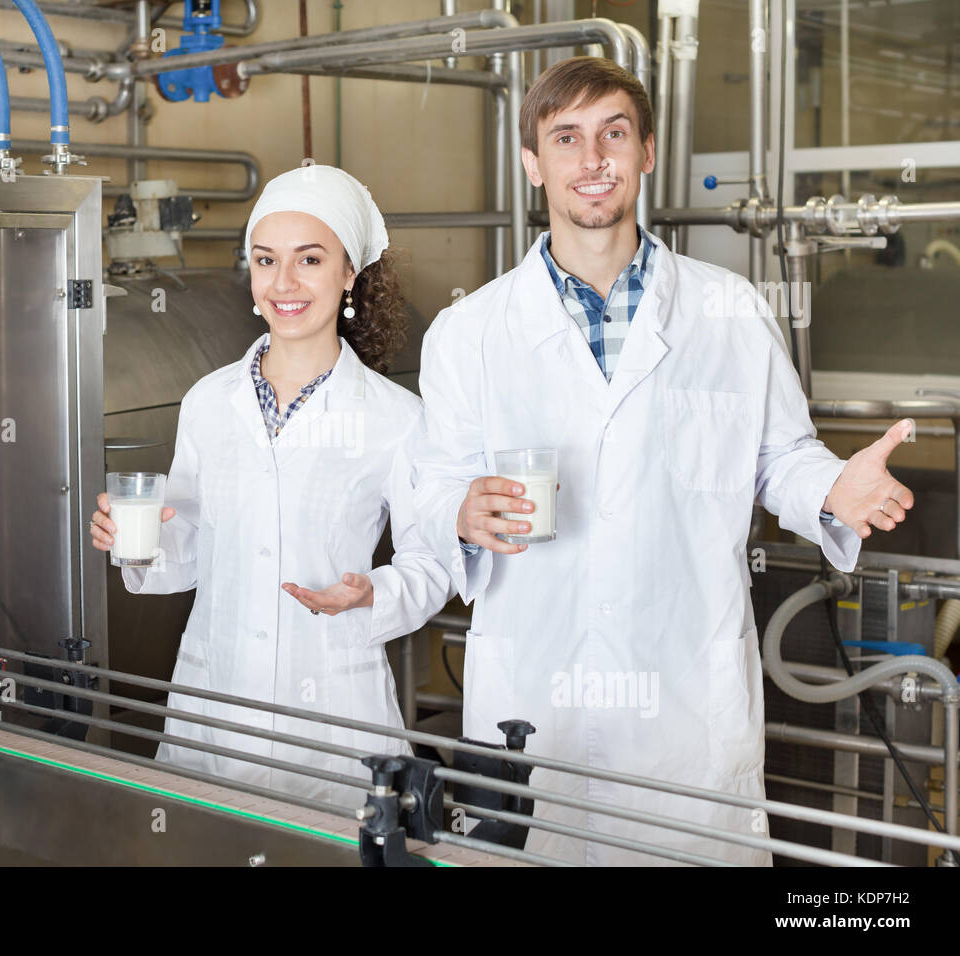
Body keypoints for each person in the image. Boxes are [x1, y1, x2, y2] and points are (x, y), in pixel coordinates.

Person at [411, 56, 916, 865]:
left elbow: (779, 454)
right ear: (534, 163)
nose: (593, 159)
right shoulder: (469, 333)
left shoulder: (730, 309)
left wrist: (831, 488)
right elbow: (433, 488)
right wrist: (458, 511)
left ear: (646, 150)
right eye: (566, 138)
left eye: (614, 133)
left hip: (685, 700)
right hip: (537, 696)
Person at [90, 164, 453, 809]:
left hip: (335, 722)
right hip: (214, 703)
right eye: (265, 260)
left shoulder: (396, 419)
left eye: (309, 260)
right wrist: (137, 542)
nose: (283, 283)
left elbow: (432, 564)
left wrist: (375, 592)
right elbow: (191, 545)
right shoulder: (208, 401)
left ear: (349, 274)